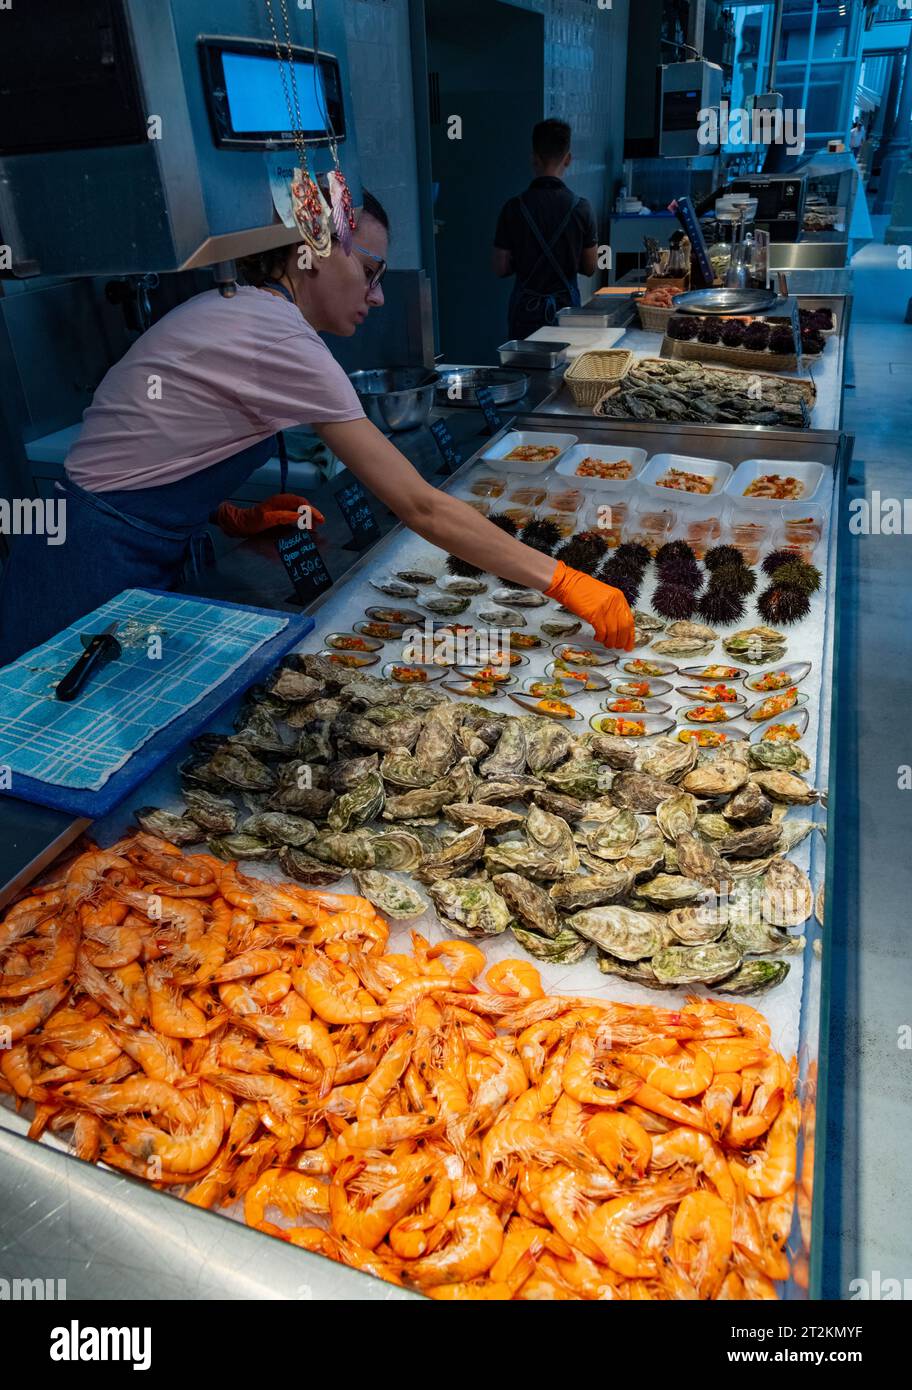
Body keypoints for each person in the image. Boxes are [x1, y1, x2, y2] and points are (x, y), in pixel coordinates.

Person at [0, 190, 633, 664]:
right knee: (50, 740)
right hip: (86, 562)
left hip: (118, 540)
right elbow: (422, 507)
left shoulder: (236, 310)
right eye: (373, 272)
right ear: (312, 255)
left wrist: (223, 511)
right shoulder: (280, 338)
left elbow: (156, 437)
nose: (378, 295)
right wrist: (563, 580)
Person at [493, 119, 598, 341]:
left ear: (534, 158)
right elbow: (589, 267)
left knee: (524, 371)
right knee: (566, 371)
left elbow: (500, 268)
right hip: (566, 312)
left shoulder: (513, 208)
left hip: (525, 313)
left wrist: (524, 258)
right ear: (568, 159)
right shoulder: (581, 208)